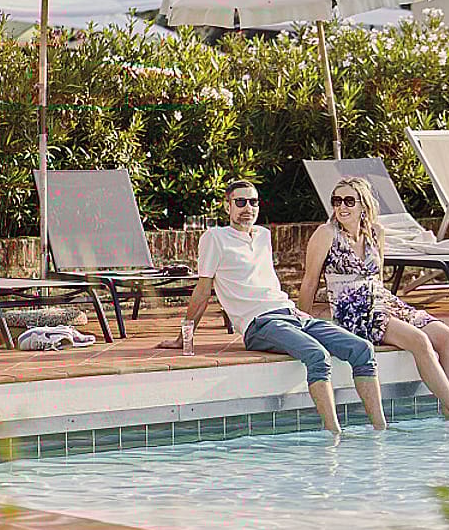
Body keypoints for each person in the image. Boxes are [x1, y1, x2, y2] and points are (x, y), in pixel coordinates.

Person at [159, 179, 386, 436]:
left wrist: (302, 314)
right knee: (318, 356)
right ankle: (334, 435)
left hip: (291, 314)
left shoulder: (263, 235)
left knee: (362, 349)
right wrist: (183, 337)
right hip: (260, 323)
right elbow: (202, 291)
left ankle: (380, 431)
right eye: (240, 202)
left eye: (253, 202)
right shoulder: (215, 238)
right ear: (227, 206)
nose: (248, 208)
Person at [299, 177, 449, 421]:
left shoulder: (375, 232)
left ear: (363, 204)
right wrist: (304, 325)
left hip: (383, 301)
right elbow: (310, 282)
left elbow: (378, 278)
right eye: (336, 201)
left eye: (349, 201)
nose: (342, 207)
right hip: (355, 311)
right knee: (419, 341)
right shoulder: (326, 234)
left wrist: (391, 308)